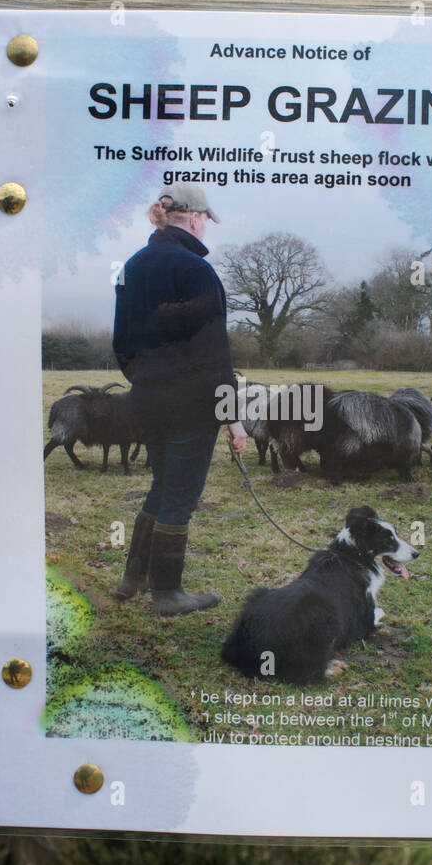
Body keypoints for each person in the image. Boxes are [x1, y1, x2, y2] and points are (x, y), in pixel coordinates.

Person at [112, 182, 247, 616]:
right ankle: (167, 593)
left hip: (147, 399)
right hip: (192, 403)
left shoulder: (131, 267)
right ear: (193, 218)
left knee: (162, 484)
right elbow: (215, 351)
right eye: (207, 219)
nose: (207, 226)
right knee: (181, 496)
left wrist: (148, 380)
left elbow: (121, 344)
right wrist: (233, 416)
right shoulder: (196, 270)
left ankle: (133, 577)